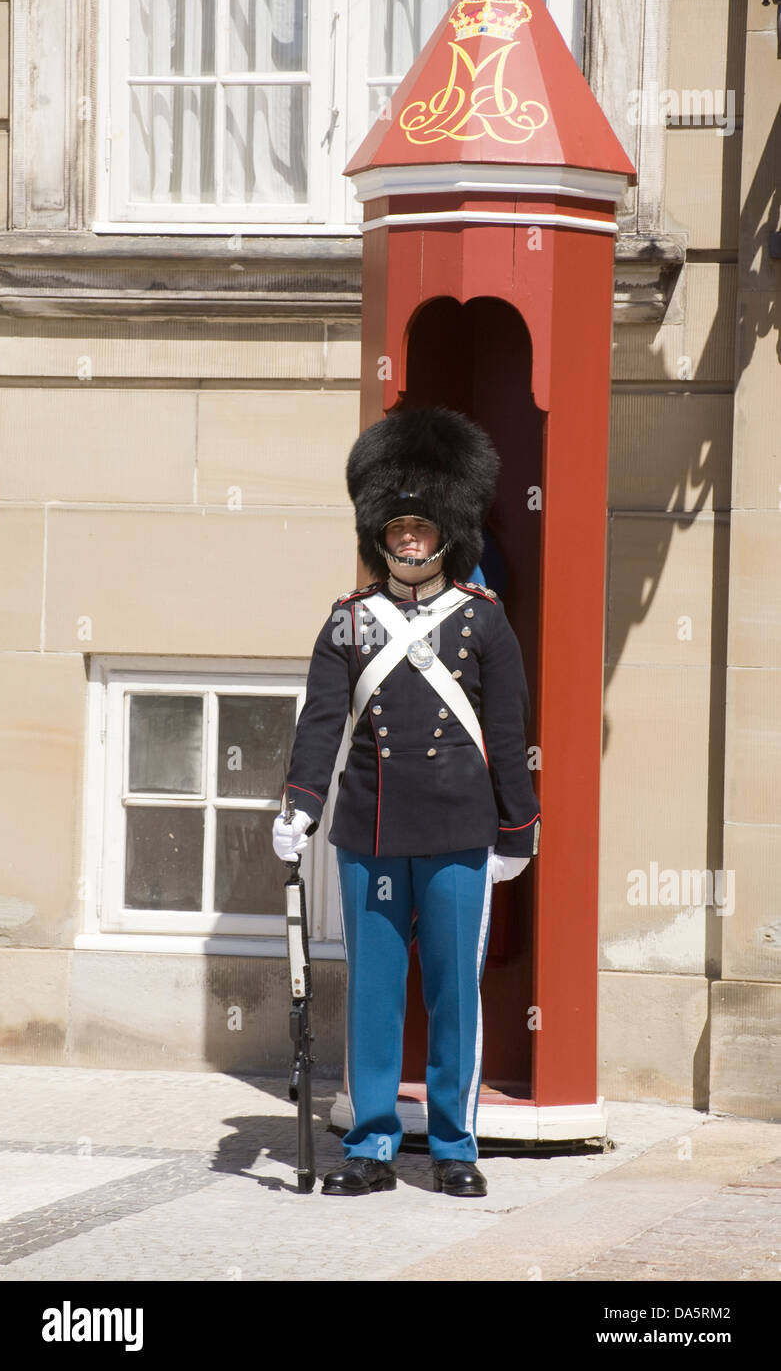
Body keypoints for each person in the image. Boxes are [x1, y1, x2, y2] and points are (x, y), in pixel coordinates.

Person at [272, 406, 540, 1197]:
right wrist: (299, 804)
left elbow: (507, 725)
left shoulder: (482, 623)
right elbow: (322, 721)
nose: (410, 540)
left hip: (459, 829)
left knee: (455, 994)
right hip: (371, 830)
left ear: (447, 534)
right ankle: (372, 1143)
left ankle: (455, 1146)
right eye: (398, 529)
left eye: (423, 528)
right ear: (379, 536)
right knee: (375, 992)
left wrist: (516, 829)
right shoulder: (350, 624)